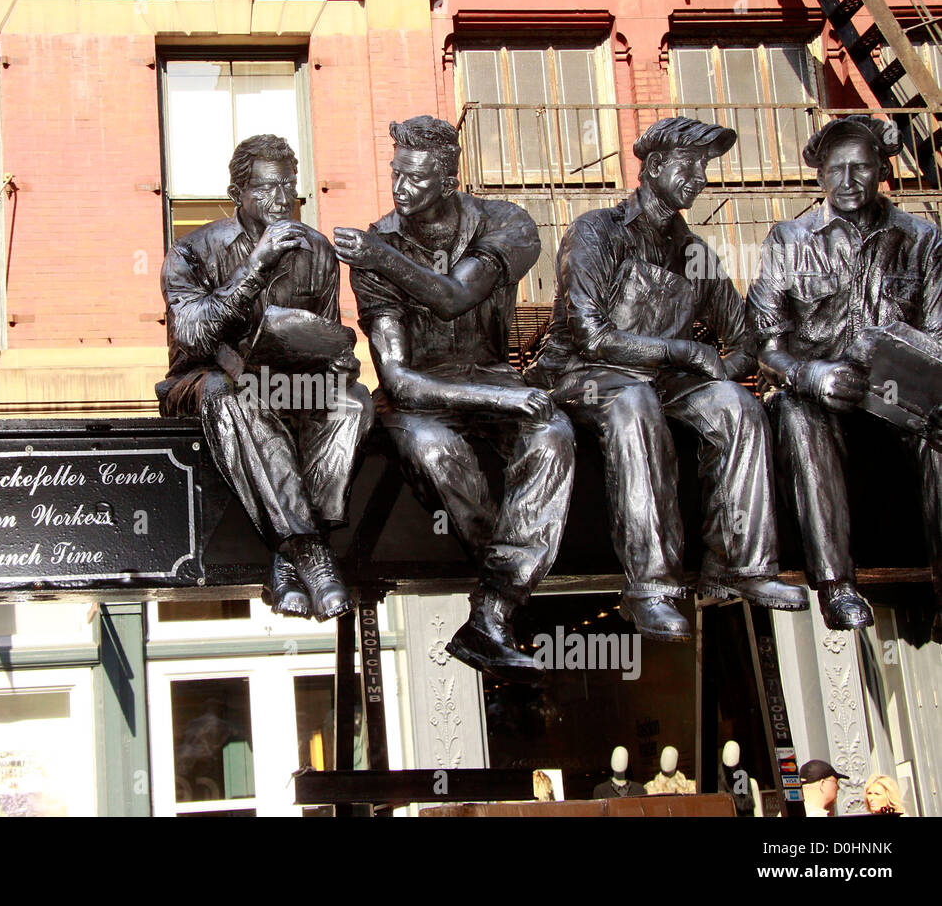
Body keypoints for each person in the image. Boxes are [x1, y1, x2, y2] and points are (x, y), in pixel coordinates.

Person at [523, 116, 807, 641]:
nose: (700, 177)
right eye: (690, 164)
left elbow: (746, 339)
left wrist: (723, 370)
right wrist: (683, 349)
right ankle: (650, 587)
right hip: (586, 375)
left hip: (666, 380)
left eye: (705, 166)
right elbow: (590, 334)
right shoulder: (596, 231)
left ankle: (741, 564)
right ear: (653, 166)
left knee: (737, 406)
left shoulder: (694, 251)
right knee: (634, 402)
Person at [334, 115, 575, 677]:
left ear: (448, 180)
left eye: (416, 179)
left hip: (490, 375)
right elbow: (396, 380)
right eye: (396, 173)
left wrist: (380, 257)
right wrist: (505, 403)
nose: (400, 188)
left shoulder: (506, 224)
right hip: (422, 395)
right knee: (435, 451)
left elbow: (455, 296)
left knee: (554, 433)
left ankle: (493, 611)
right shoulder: (379, 245)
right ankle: (499, 598)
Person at [158, 134, 374, 622]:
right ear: (238, 192)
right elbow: (191, 336)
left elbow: (323, 331)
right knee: (234, 392)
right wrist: (255, 267)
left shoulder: (316, 250)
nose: (282, 201)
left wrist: (337, 358)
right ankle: (313, 553)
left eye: (290, 188)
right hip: (203, 383)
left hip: (289, 384)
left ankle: (287, 555)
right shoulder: (192, 251)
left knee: (354, 401)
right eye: (268, 189)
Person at [747, 115, 942, 633]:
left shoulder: (922, 240)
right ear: (821, 177)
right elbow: (765, 346)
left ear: (882, 169)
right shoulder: (788, 240)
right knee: (795, 415)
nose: (848, 181)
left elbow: (940, 338)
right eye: (836, 170)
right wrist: (813, 376)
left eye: (860, 168)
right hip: (821, 395)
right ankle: (836, 585)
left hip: (899, 395)